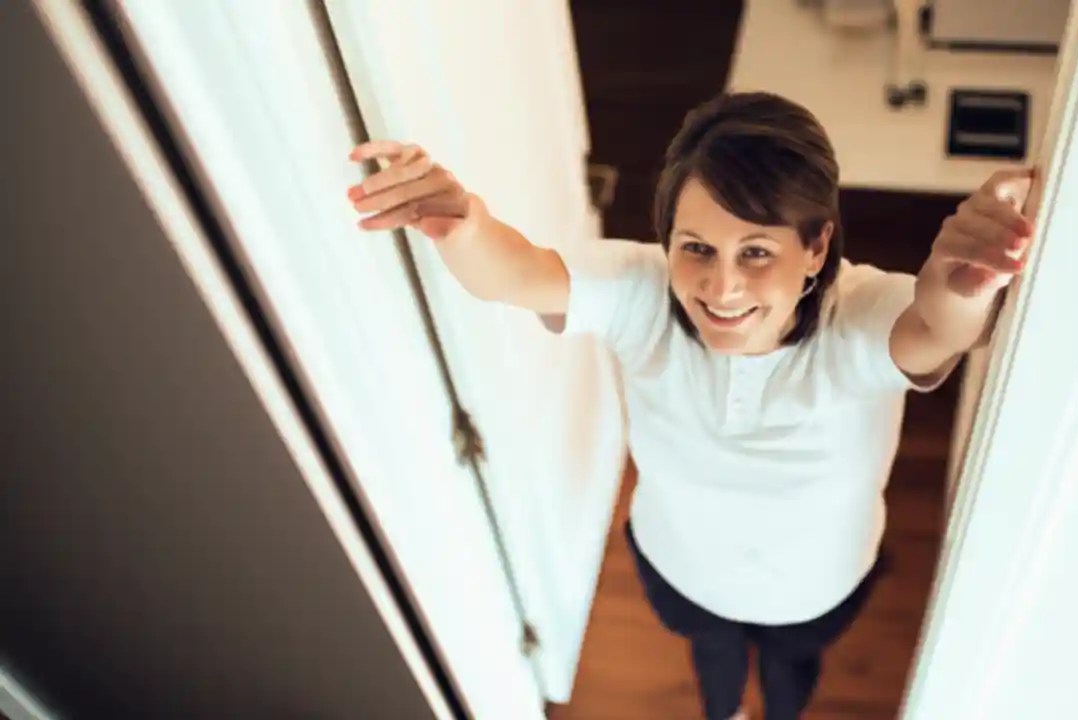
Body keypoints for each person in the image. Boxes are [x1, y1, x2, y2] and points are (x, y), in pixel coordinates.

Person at [346, 92, 1033, 720]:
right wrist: (463, 224)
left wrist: (961, 280)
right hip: (681, 568)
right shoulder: (641, 291)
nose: (721, 286)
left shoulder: (859, 316)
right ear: (666, 237)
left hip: (819, 587)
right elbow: (518, 271)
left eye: (757, 251)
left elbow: (938, 326)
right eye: (696, 247)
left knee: (794, 673)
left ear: (816, 245)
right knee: (714, 665)